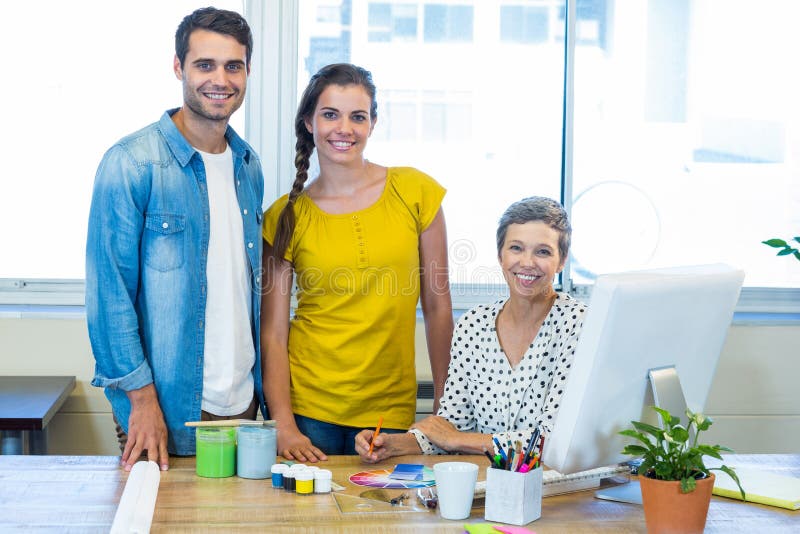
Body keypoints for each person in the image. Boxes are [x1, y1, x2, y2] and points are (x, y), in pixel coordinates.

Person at [85, 7, 265, 471]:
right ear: (178, 67)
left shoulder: (248, 165)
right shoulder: (131, 163)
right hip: (162, 408)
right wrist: (142, 401)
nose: (220, 79)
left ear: (247, 71)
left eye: (234, 65)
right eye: (205, 64)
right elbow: (109, 296)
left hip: (242, 404)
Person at [261, 63, 453, 461]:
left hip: (390, 413)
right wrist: (284, 425)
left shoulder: (417, 192)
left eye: (357, 116)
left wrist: (445, 407)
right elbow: (274, 334)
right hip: (309, 411)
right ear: (309, 122)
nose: (343, 128)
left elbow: (438, 309)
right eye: (330, 114)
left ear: (373, 122)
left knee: (386, 518)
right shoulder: (284, 216)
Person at [355, 196, 587, 462]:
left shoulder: (579, 326)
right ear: (500, 255)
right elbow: (451, 425)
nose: (527, 262)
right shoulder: (473, 325)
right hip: (487, 485)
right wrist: (394, 444)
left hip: (552, 488)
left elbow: (551, 441)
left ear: (562, 261)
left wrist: (459, 440)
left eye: (543, 252)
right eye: (516, 248)